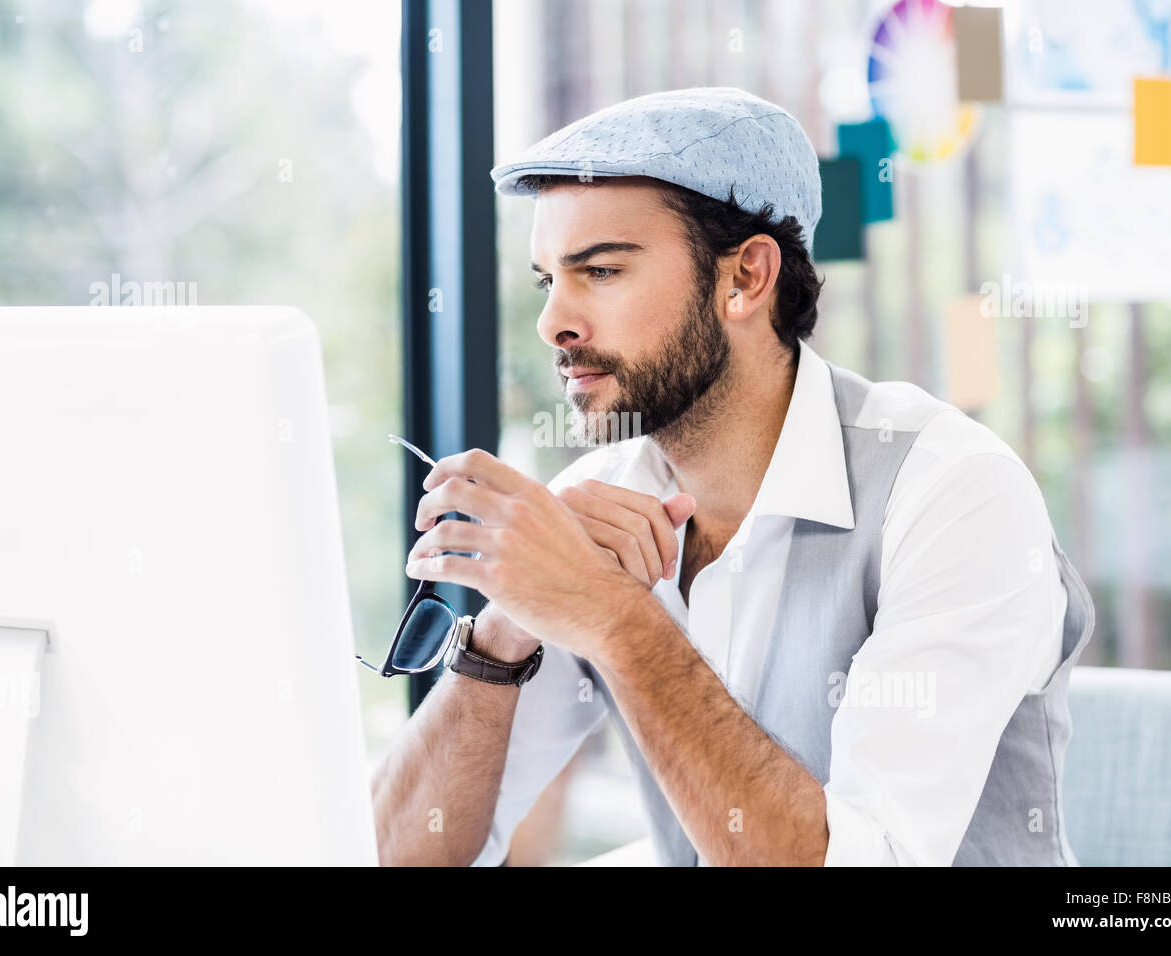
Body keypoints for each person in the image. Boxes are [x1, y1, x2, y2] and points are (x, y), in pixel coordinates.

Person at [370, 86, 1096, 866]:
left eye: (602, 271)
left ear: (746, 277)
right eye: (550, 280)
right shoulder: (602, 500)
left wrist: (617, 620)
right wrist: (506, 630)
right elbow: (402, 855)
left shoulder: (954, 492)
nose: (555, 323)